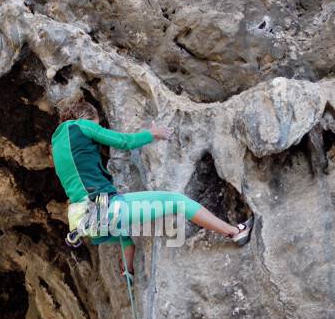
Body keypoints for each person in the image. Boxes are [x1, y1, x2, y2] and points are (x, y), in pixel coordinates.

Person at [50, 100, 254, 277]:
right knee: (176, 202)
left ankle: (127, 271)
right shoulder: (80, 126)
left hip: (86, 222)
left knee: (125, 236)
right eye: (97, 125)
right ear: (86, 117)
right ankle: (234, 232)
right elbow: (124, 141)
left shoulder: (57, 145)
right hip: (106, 209)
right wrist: (152, 133)